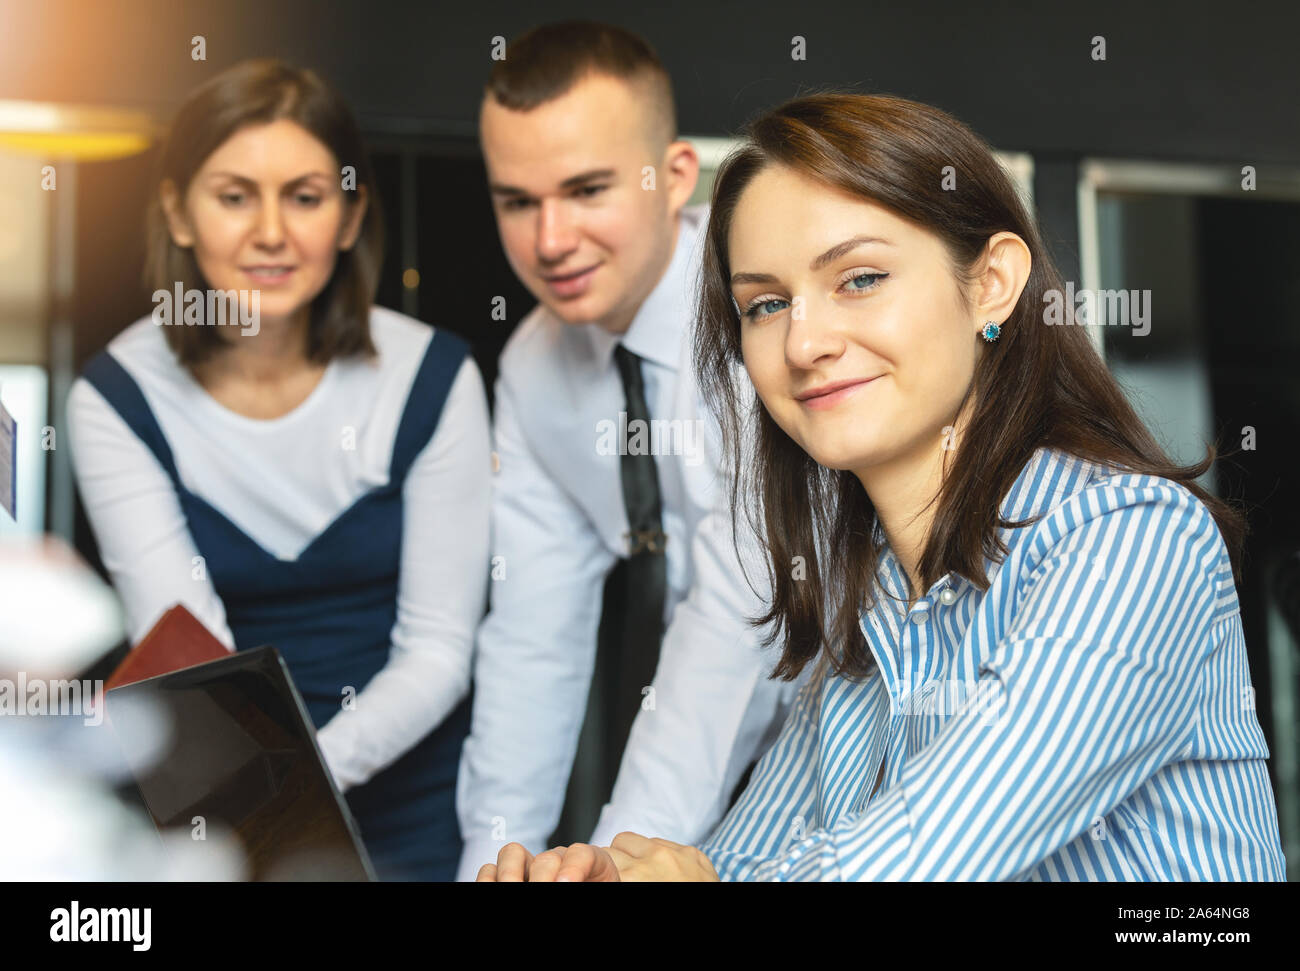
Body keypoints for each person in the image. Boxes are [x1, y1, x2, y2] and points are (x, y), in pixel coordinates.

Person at [480, 91, 1288, 881]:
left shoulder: (1132, 541)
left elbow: (927, 856)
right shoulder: (860, 602)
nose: (804, 342)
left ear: (993, 283)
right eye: (764, 304)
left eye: (859, 278)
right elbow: (736, 862)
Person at [67, 59, 491, 881]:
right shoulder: (116, 396)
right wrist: (267, 811)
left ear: (348, 213)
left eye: (304, 196)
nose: (271, 232)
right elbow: (192, 659)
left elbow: (440, 649)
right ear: (178, 212)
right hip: (223, 805)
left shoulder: (433, 377)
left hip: (417, 814)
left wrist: (313, 777)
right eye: (234, 196)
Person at [457, 21, 796, 881]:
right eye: (517, 201)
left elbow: (742, 602)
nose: (550, 240)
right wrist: (488, 864)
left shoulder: (769, 306)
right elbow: (532, 636)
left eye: (587, 189)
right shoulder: (530, 365)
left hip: (858, 731)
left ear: (677, 176)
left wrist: (615, 861)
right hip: (694, 773)